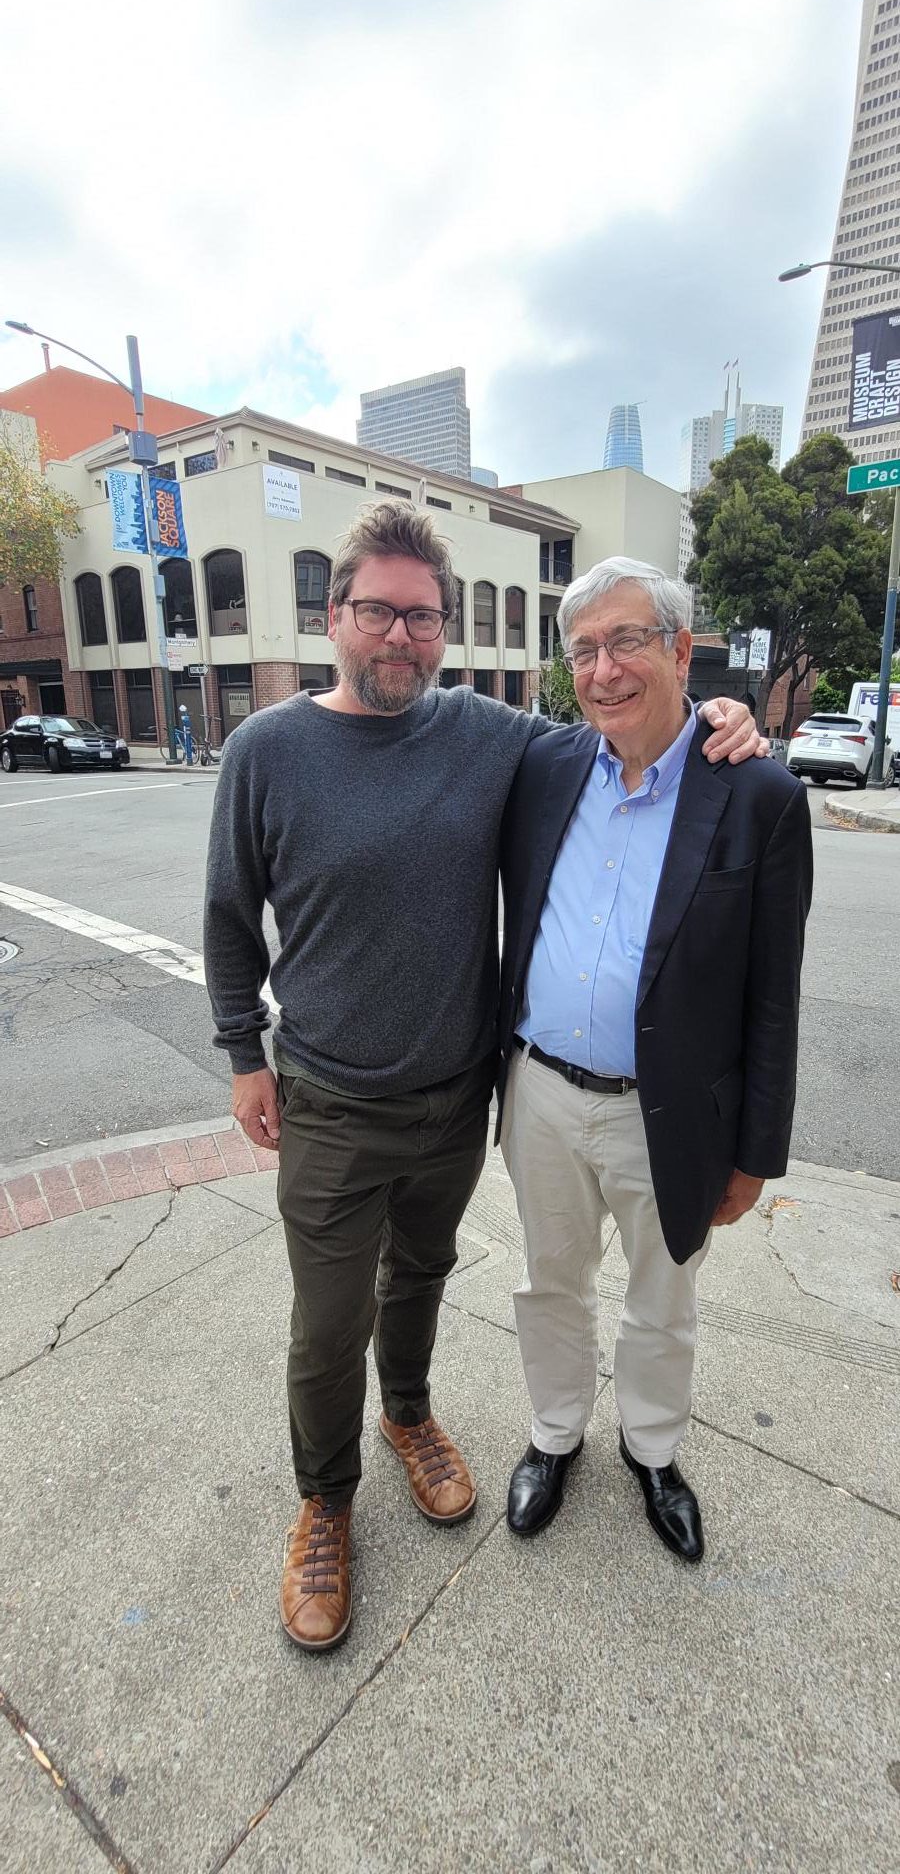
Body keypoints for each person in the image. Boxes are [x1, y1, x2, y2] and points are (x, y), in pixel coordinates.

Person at [203, 506, 764, 1652]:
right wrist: (240, 1054)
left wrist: (723, 714)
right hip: (327, 1095)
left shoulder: (492, 736)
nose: (398, 635)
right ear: (336, 616)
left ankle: (410, 1416)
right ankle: (325, 1498)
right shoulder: (265, 748)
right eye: (376, 611)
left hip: (460, 1097)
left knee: (421, 1275)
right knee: (327, 1317)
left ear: (444, 628)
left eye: (420, 615)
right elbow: (227, 918)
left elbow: (623, 723)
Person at [497, 557, 813, 1559]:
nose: (605, 669)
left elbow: (774, 994)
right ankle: (554, 1434)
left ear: (681, 649)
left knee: (662, 1290)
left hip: (667, 1107)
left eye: (629, 640)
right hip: (541, 1090)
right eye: (584, 649)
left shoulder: (756, 793)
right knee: (548, 1278)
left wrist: (756, 1152)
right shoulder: (544, 766)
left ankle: (652, 1446)